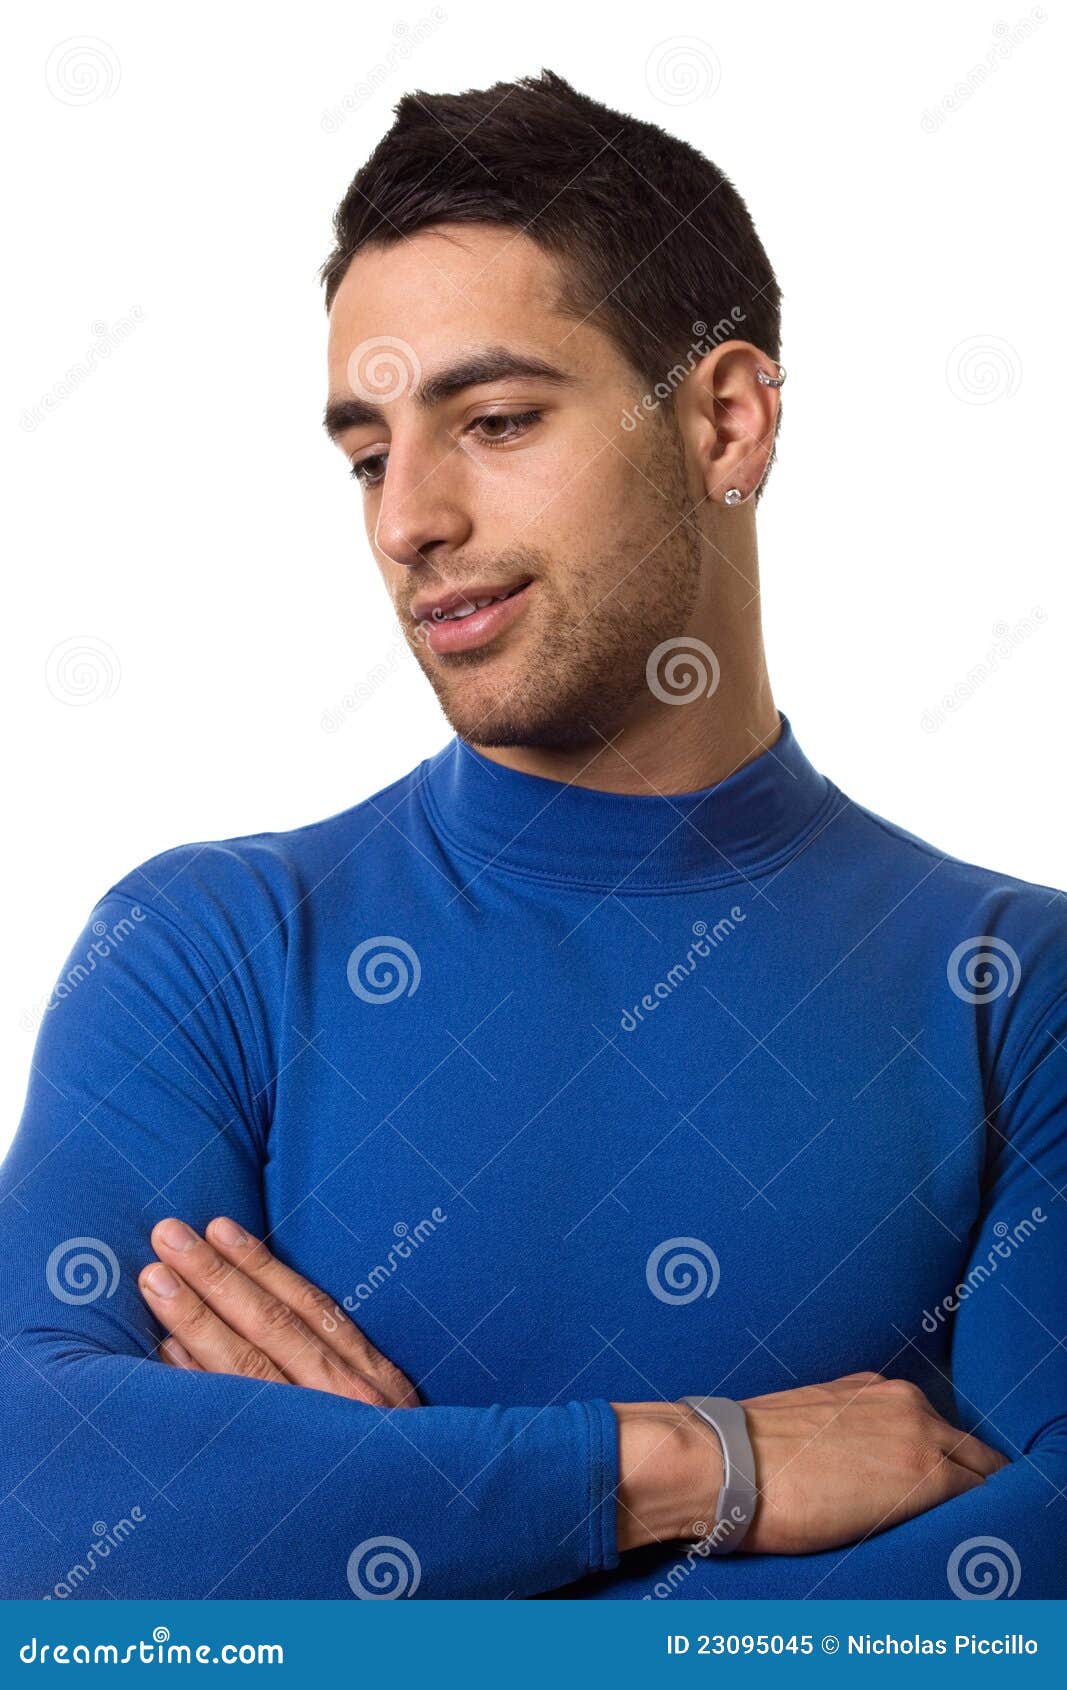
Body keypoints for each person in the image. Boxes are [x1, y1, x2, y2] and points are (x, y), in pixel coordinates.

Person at [2, 70, 1063, 1602]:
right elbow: (39, 1500)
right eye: (369, 453)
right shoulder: (209, 950)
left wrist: (374, 1528)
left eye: (492, 419)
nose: (405, 519)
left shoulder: (1017, 993)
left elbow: (1032, 1595)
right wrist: (690, 1469)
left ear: (725, 417)